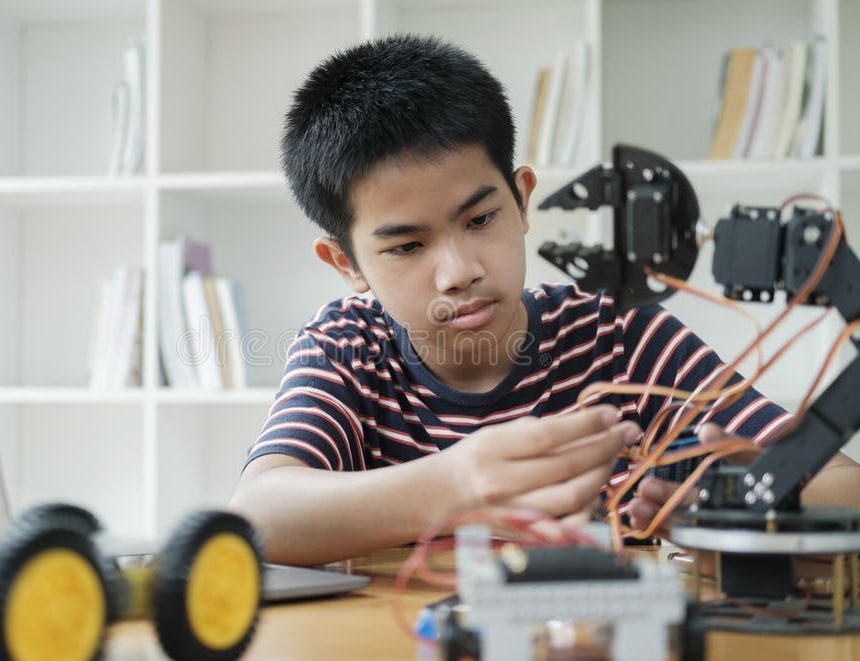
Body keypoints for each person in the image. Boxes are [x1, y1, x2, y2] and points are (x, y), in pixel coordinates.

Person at [228, 34, 860, 566]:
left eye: (479, 221)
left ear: (523, 200)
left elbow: (846, 486)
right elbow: (257, 517)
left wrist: (749, 497)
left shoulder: (617, 336)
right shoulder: (347, 348)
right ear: (346, 263)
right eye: (406, 247)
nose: (459, 272)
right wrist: (457, 482)